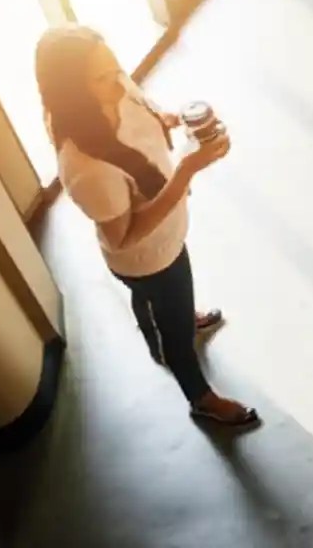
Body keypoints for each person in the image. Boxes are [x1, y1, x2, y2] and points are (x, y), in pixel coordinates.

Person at [36, 24, 258, 427]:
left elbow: (138, 113)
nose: (119, 83)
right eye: (102, 78)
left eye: (115, 67)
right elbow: (123, 238)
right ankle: (200, 397)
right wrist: (187, 170)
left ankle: (169, 322)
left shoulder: (115, 90)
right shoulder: (85, 167)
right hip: (148, 257)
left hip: (167, 239)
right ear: (72, 91)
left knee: (165, 299)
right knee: (173, 328)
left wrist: (170, 122)